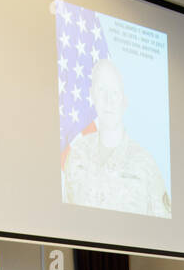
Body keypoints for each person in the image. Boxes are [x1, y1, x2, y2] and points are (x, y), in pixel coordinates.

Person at [63, 58, 171, 218]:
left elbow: (164, 230)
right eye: (102, 91)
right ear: (93, 95)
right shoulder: (78, 153)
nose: (109, 101)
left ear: (124, 99)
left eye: (115, 92)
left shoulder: (145, 164)